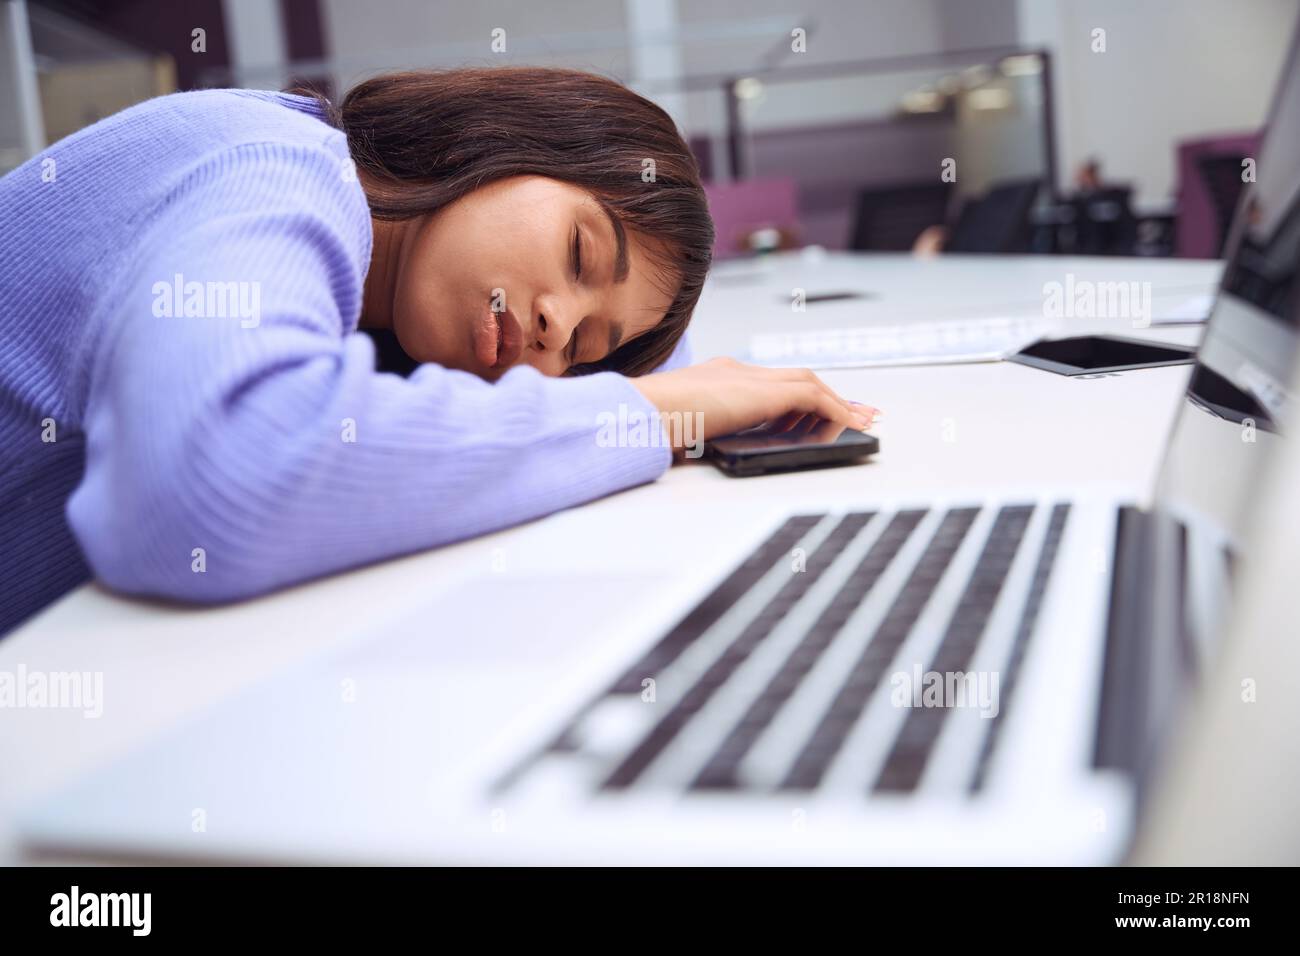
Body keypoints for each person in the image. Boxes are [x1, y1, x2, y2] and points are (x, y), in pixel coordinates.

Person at [0, 67, 877, 635]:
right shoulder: (274, 171)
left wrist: (679, 377)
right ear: (497, 142)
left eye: (582, 347)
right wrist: (643, 413)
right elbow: (210, 483)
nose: (551, 329)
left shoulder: (385, 293)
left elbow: (659, 357)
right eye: (580, 253)